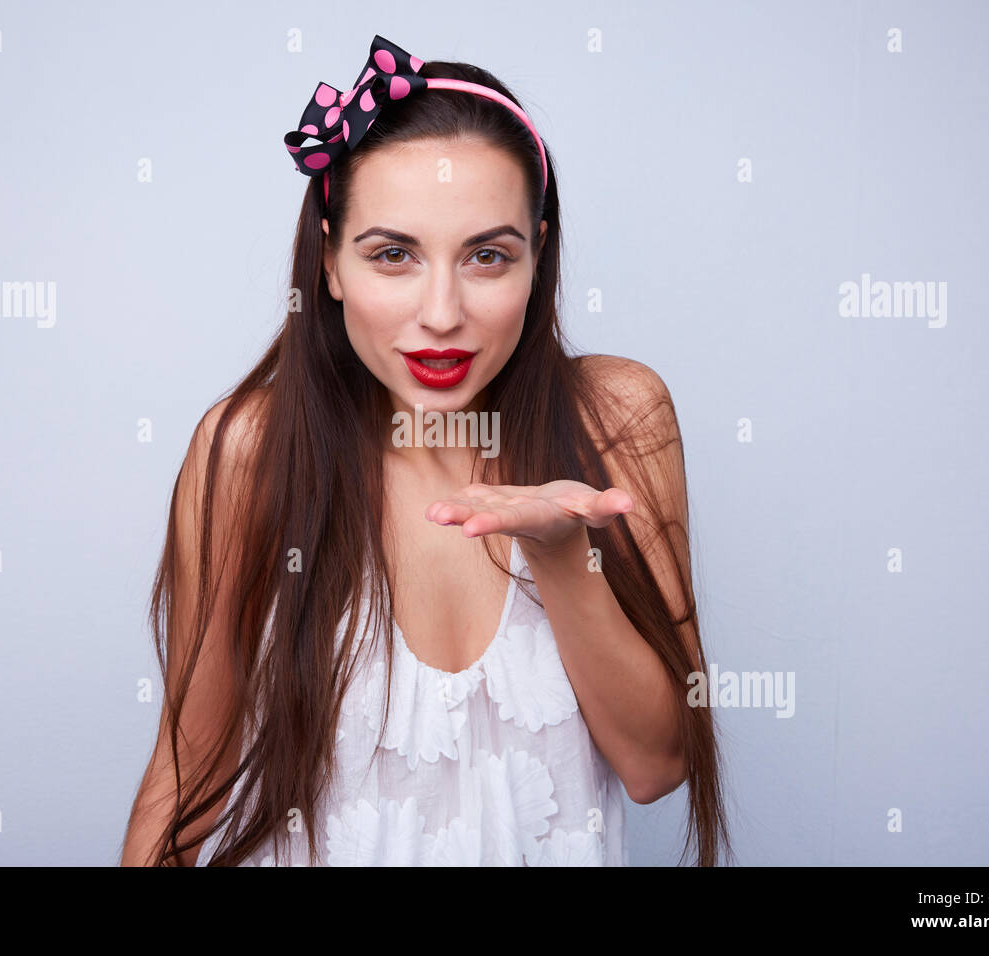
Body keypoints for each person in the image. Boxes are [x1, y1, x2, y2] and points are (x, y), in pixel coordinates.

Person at [122, 34, 731, 866]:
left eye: (487, 256)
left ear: (538, 254)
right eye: (393, 255)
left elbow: (658, 766)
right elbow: (185, 779)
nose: (441, 313)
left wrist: (563, 556)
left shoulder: (618, 417)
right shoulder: (252, 452)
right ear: (331, 262)